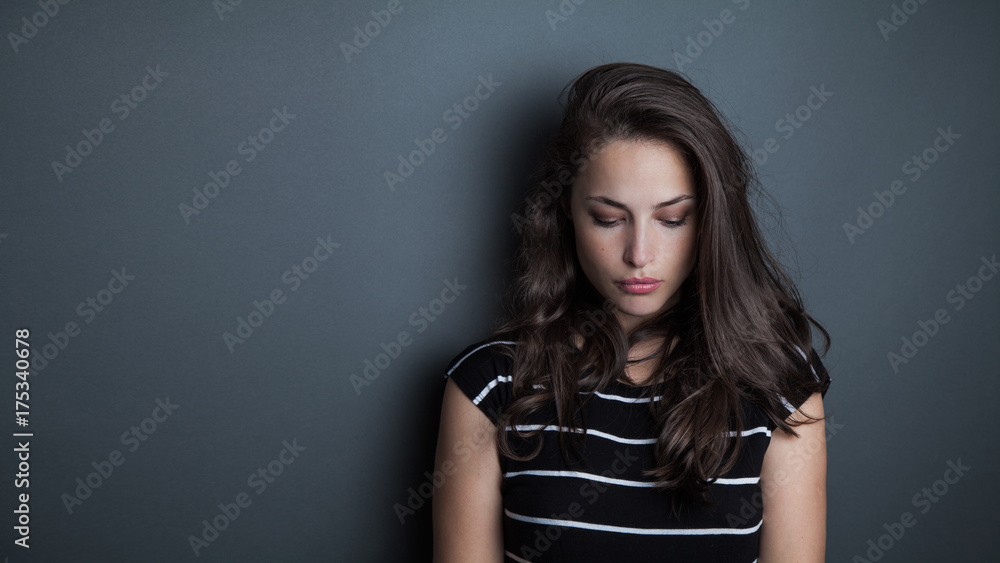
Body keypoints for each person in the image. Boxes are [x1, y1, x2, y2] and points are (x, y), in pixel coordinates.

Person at [432, 62, 832, 563]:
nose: (638, 253)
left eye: (672, 219)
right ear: (566, 216)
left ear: (710, 221)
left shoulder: (780, 384)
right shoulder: (490, 386)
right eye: (608, 218)